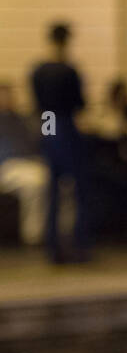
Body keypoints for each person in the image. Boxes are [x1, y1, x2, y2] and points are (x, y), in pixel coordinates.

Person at [29, 22, 92, 263]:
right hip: (65, 126)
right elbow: (79, 103)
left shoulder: (38, 71)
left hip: (48, 126)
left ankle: (53, 245)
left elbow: (38, 107)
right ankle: (79, 243)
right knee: (78, 188)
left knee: (53, 189)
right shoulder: (68, 70)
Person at [0, 82, 49, 247]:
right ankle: (33, 237)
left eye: (8, 96)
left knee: (60, 180)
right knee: (36, 183)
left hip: (31, 163)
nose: (6, 100)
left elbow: (44, 134)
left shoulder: (21, 119)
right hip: (7, 166)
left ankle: (58, 232)